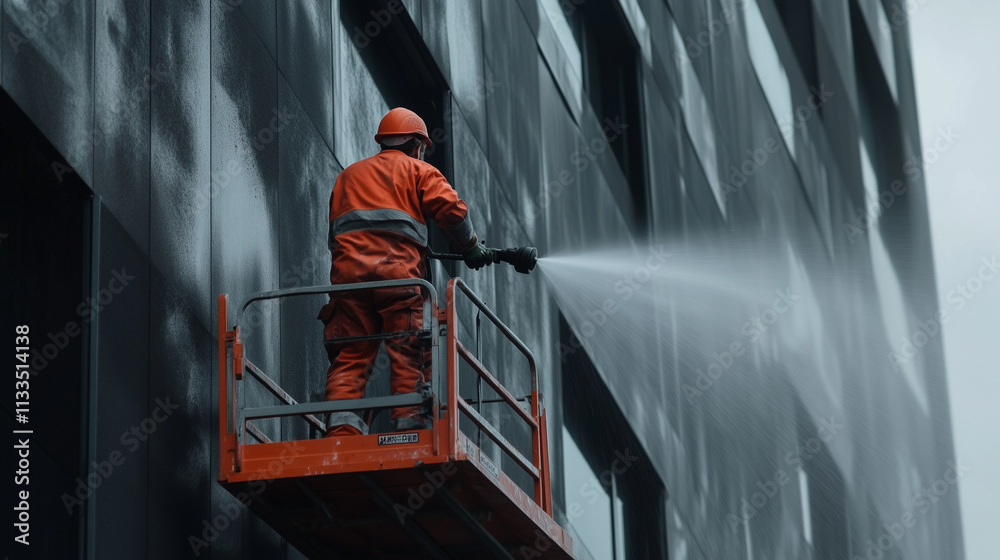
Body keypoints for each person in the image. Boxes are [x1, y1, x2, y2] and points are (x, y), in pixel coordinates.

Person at [317, 107, 494, 437]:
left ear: (384, 142)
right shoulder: (419, 171)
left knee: (351, 356)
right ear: (417, 145)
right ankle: (407, 432)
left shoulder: (348, 177)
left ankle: (341, 434)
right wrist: (470, 247)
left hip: (349, 283)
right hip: (397, 279)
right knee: (407, 352)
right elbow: (453, 212)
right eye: (422, 148)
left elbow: (335, 236)